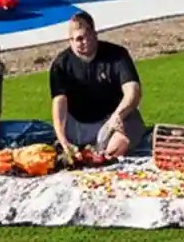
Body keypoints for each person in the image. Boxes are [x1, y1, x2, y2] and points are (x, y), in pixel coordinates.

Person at [49, 12, 146, 158]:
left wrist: (117, 116)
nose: (82, 42)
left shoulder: (117, 55)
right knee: (68, 151)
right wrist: (62, 139)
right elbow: (59, 102)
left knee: (117, 145)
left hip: (114, 119)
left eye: (85, 36)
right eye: (76, 39)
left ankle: (106, 153)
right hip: (78, 123)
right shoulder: (61, 64)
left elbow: (133, 91)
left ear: (94, 34)